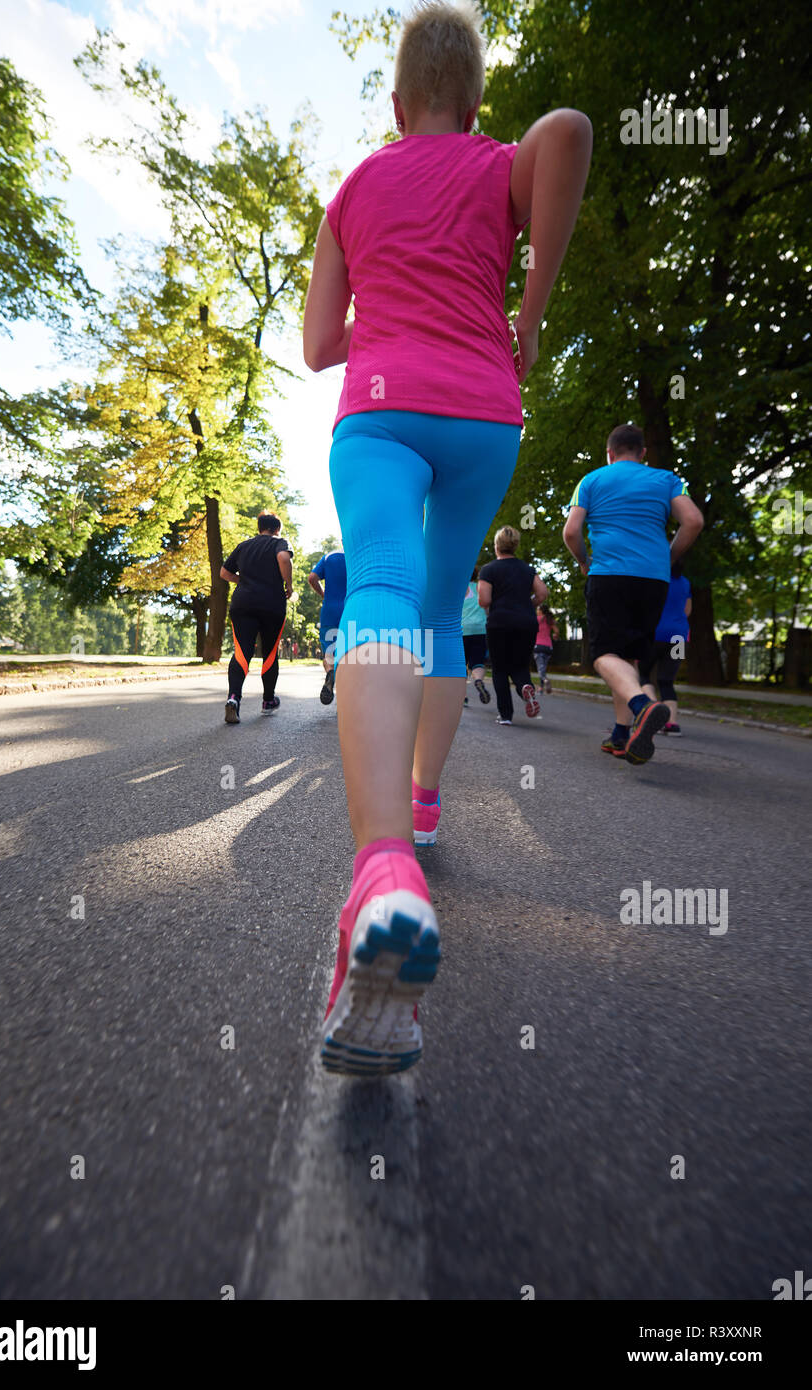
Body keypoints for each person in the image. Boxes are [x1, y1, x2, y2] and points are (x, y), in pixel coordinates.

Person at [303, 0, 591, 1074]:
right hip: (484, 413)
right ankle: (422, 804)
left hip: (381, 406)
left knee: (378, 586)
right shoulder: (501, 164)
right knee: (434, 609)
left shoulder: (356, 185)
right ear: (475, 101)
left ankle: (384, 870)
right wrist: (528, 309)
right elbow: (568, 131)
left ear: (395, 100)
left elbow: (318, 344)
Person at [562, 423, 703, 763]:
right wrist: (667, 557)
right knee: (626, 659)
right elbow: (694, 521)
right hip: (654, 580)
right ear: (643, 453)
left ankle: (642, 707)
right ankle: (621, 735)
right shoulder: (667, 479)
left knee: (603, 655)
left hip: (610, 574)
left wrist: (583, 560)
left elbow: (571, 532)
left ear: (609, 454)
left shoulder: (592, 480)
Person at [219, 512, 293, 723]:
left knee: (242, 652)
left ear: (260, 527)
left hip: (243, 603)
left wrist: (243, 581)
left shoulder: (244, 545)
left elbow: (224, 573)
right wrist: (288, 585)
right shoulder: (280, 542)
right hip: (272, 604)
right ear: (277, 528)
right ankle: (268, 700)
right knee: (269, 653)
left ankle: (233, 698)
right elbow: (283, 558)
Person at [478, 526, 548, 725]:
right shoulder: (527, 570)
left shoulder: (489, 570)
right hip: (526, 623)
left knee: (500, 669)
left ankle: (506, 715)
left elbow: (483, 600)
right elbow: (542, 593)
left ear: (497, 546)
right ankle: (526, 687)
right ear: (515, 545)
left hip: (499, 623)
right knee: (519, 665)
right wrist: (527, 605)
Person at [642, 564, 692, 735]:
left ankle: (653, 710)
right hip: (679, 637)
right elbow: (687, 610)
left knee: (642, 674)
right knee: (667, 680)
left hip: (655, 633)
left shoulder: (654, 577)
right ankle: (671, 723)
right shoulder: (685, 582)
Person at [307, 548, 348, 704]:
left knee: (329, 652)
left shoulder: (329, 556)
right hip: (352, 608)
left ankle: (330, 672)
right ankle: (347, 697)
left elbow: (312, 578)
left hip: (330, 609)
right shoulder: (357, 554)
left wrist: (324, 594)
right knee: (351, 652)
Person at [461, 567, 490, 705]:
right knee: (477, 662)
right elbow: (487, 607)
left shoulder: (459, 589)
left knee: (461, 664)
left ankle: (463, 697)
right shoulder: (479, 587)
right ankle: (478, 680)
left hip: (461, 630)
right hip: (480, 629)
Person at [534, 603, 558, 694]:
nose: (537, 611)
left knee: (541, 670)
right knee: (543, 668)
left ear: (541, 611)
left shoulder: (537, 619)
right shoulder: (549, 620)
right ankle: (541, 689)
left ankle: (545, 680)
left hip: (538, 646)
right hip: (548, 647)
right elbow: (556, 631)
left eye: (538, 609)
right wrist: (555, 635)